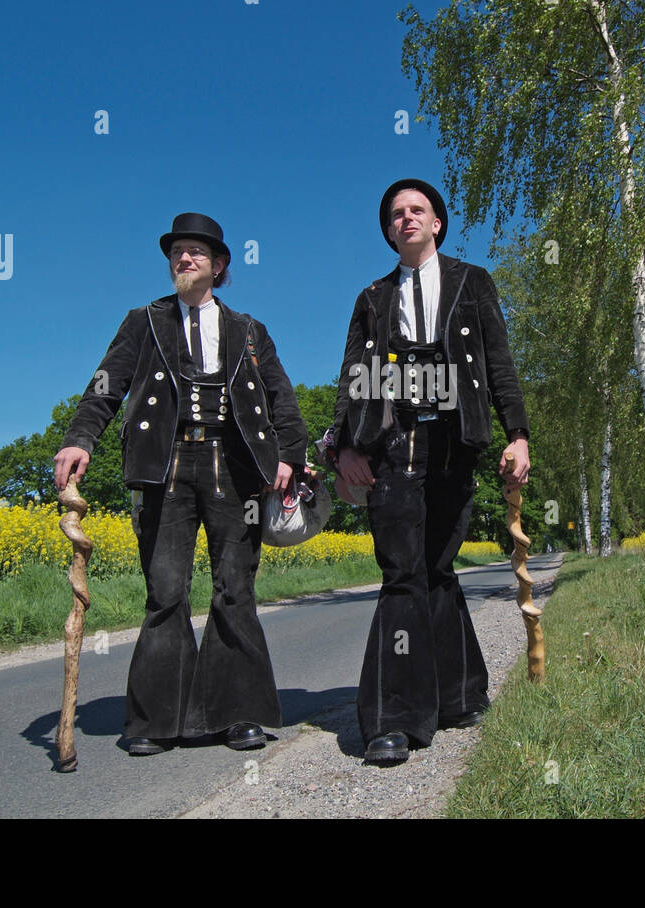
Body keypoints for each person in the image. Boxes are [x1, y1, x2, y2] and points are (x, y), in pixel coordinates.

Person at [53, 212, 307, 756]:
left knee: (234, 588)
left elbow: (281, 398)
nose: (183, 259)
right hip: (163, 467)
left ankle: (237, 714)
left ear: (218, 266)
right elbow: (104, 387)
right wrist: (80, 439)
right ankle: (156, 719)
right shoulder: (142, 322)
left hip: (234, 469)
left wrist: (288, 454)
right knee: (165, 592)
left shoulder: (249, 331)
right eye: (176, 252)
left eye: (195, 252)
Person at [325, 178, 530, 764]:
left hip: (454, 446)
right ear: (389, 231)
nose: (406, 218)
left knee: (438, 567)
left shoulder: (472, 282)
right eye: (396, 214)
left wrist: (518, 435)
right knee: (401, 572)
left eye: (417, 210)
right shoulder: (372, 298)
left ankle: (459, 694)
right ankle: (395, 718)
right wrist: (343, 449)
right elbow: (350, 378)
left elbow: (499, 364)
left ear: (437, 223)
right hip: (391, 444)